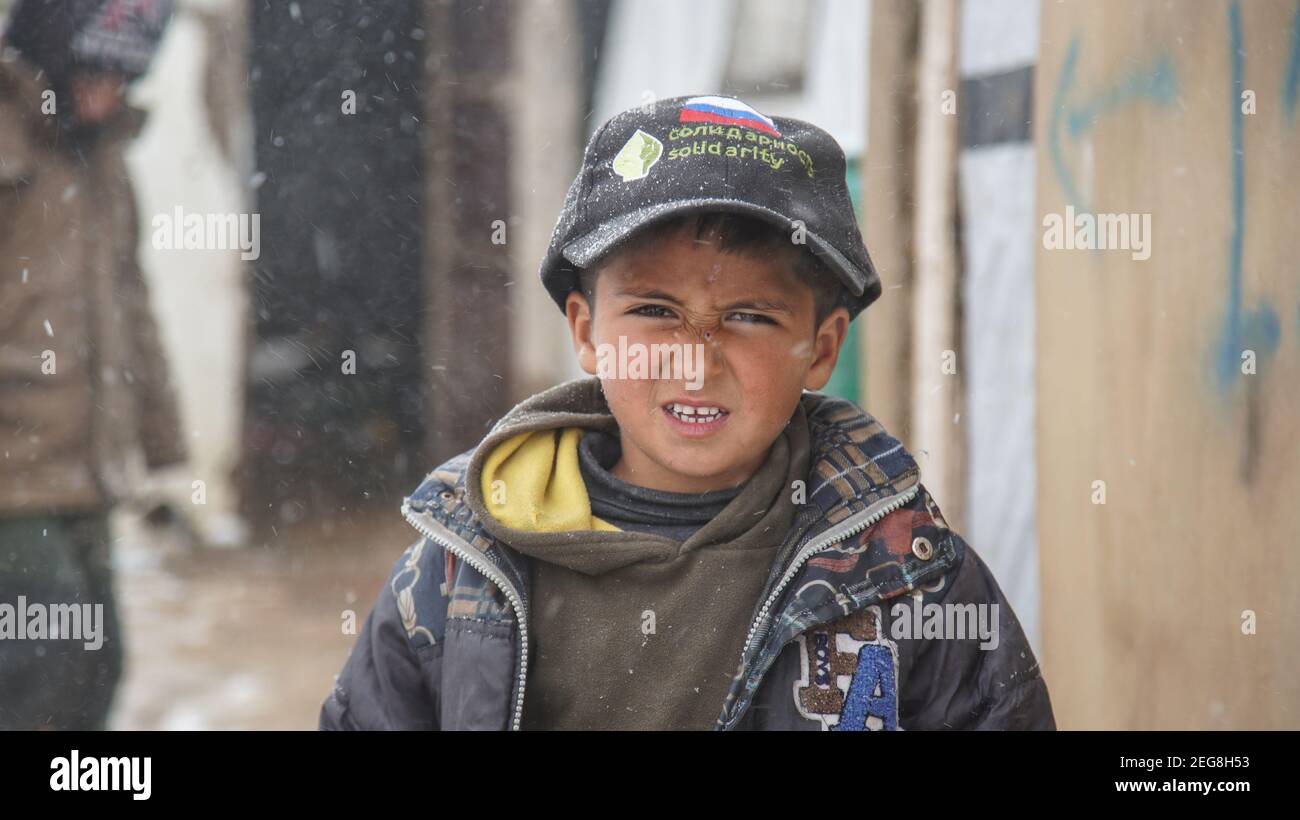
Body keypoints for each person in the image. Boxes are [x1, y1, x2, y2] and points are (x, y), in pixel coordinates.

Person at [321, 94, 1055, 730]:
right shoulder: (461, 567)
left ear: (822, 348)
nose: (695, 364)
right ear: (586, 331)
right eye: (654, 311)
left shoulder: (906, 571)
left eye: (749, 317)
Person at [0, 0, 181, 730]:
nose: (105, 98)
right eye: (90, 78)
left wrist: (163, 443)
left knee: (100, 662)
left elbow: (131, 307)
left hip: (86, 466)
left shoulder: (105, 164)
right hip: (12, 469)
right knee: (41, 657)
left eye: (121, 81)